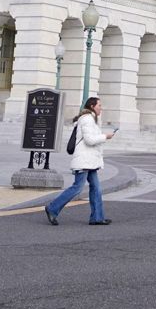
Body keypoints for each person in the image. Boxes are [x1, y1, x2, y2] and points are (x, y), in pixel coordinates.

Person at [44, 97, 115, 226]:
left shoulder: (92, 119)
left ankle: (97, 217)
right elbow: (89, 140)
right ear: (92, 106)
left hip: (90, 160)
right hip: (84, 160)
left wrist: (102, 133)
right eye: (99, 105)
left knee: (96, 188)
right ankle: (52, 208)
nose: (101, 108)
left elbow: (91, 138)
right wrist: (105, 136)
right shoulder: (87, 119)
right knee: (78, 187)